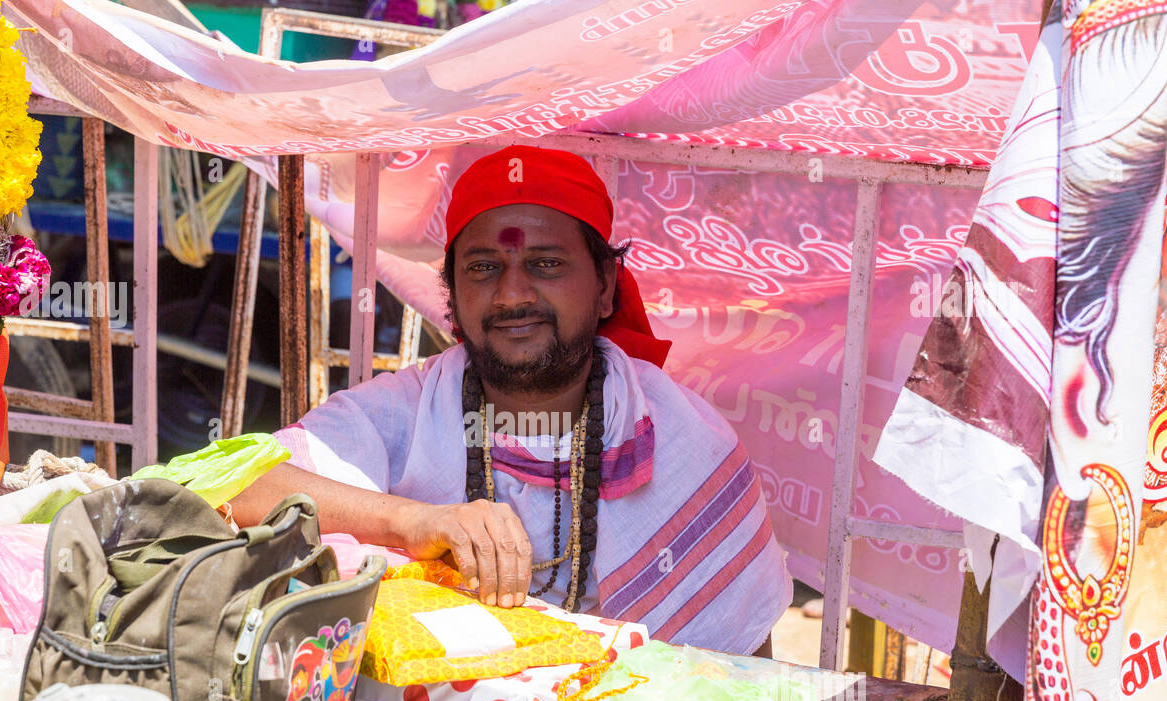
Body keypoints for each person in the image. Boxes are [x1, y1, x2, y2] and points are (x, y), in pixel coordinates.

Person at [232, 145, 791, 654]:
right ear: (451, 292)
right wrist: (415, 521)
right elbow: (239, 484)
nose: (512, 294)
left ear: (605, 287)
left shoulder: (682, 436)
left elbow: (745, 660)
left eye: (546, 264)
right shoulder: (410, 408)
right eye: (483, 268)